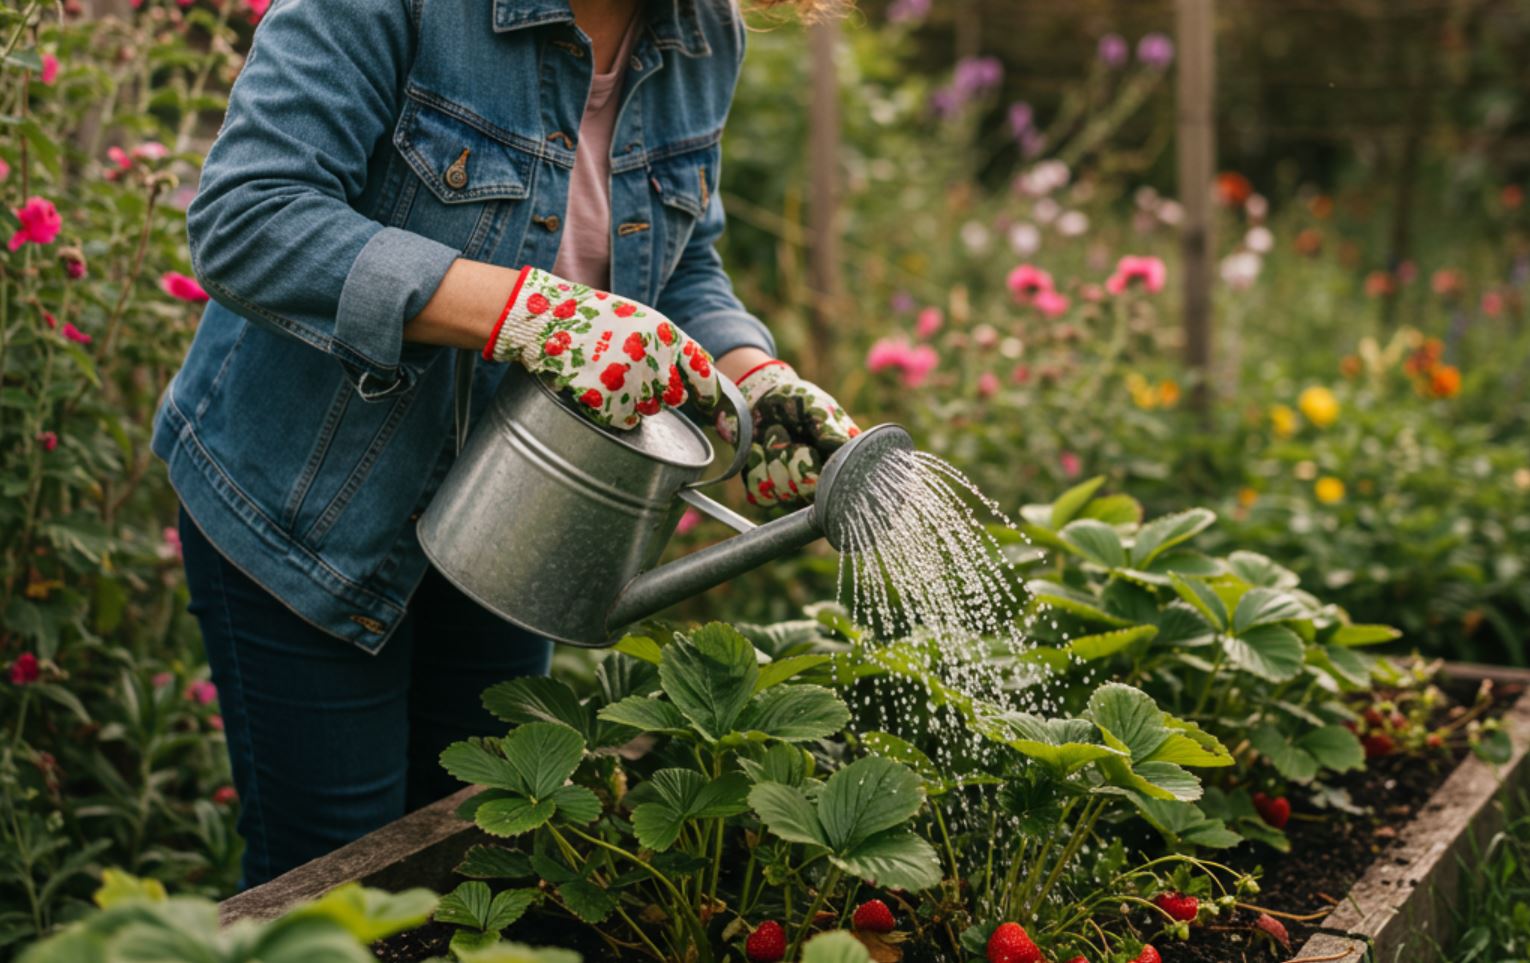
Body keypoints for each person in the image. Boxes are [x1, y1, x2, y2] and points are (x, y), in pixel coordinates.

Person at [151, 0, 859, 889]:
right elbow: (250, 217)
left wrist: (753, 372)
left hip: (518, 512)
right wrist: (528, 312)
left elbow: (680, 257)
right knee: (340, 893)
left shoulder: (701, 31)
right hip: (308, 505)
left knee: (475, 861)